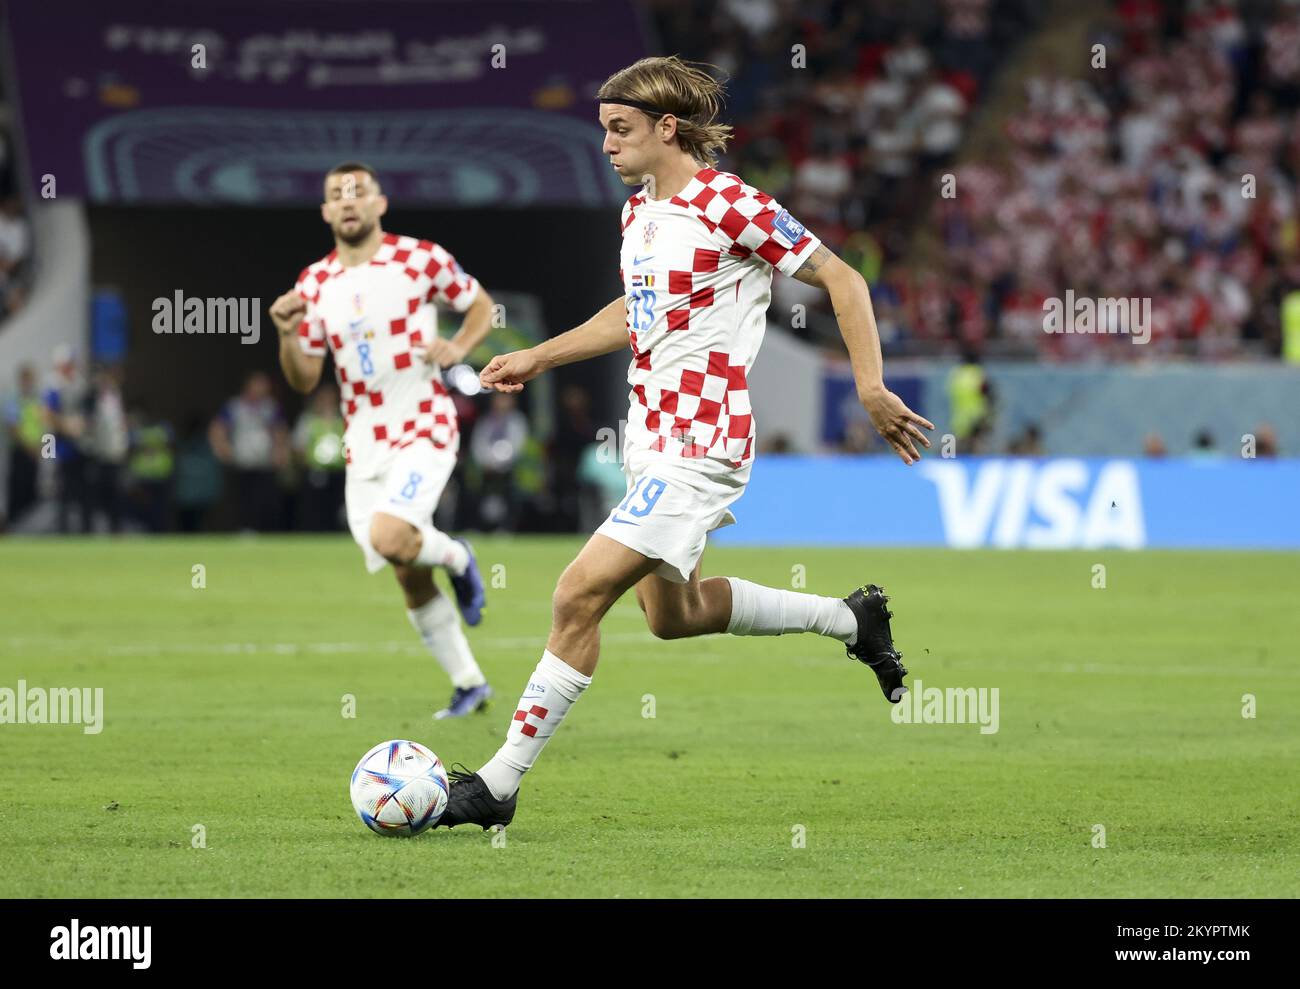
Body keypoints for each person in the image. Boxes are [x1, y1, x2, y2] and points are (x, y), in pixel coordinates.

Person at [438, 56, 934, 830]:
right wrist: (541, 354)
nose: (607, 144)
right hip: (650, 437)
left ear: (667, 127)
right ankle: (852, 619)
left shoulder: (729, 203)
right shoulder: (639, 213)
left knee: (576, 595)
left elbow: (844, 281)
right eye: (603, 129)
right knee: (672, 615)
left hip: (702, 442)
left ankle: (499, 783)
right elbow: (635, 313)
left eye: (620, 129)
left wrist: (870, 387)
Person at [268, 162, 495, 720]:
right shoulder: (314, 283)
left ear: (380, 203)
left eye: (358, 192)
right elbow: (304, 378)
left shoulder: (419, 257)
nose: (348, 202)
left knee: (394, 536)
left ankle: (458, 555)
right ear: (325, 212)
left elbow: (480, 305)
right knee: (404, 568)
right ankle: (470, 683)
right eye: (336, 195)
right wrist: (284, 332)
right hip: (363, 442)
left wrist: (459, 346)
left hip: (423, 423)